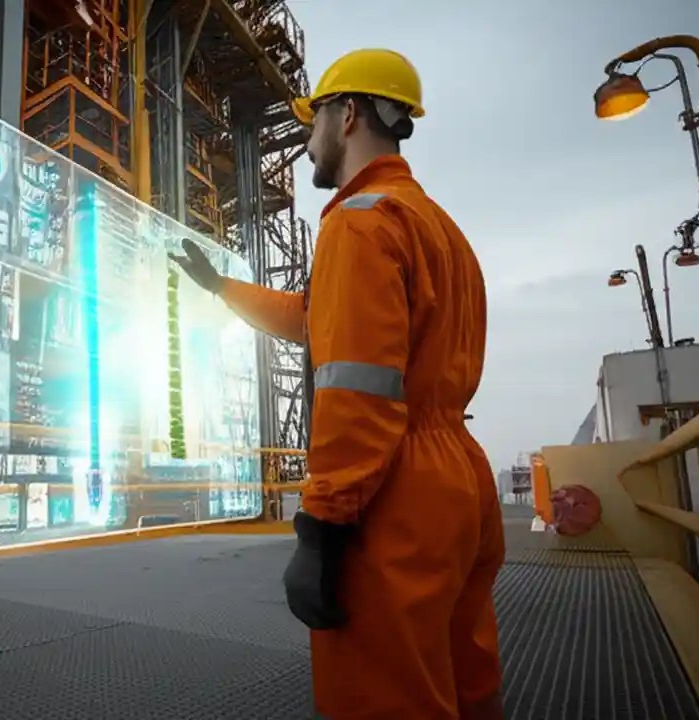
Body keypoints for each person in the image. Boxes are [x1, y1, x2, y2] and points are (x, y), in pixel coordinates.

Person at [171, 48, 505, 719]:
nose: (306, 140)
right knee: (465, 680)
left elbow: (360, 393)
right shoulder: (439, 229)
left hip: (393, 491)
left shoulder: (359, 225)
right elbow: (316, 319)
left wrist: (321, 527)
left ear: (347, 114)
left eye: (312, 120)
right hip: (462, 481)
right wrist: (222, 289)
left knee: (384, 696)